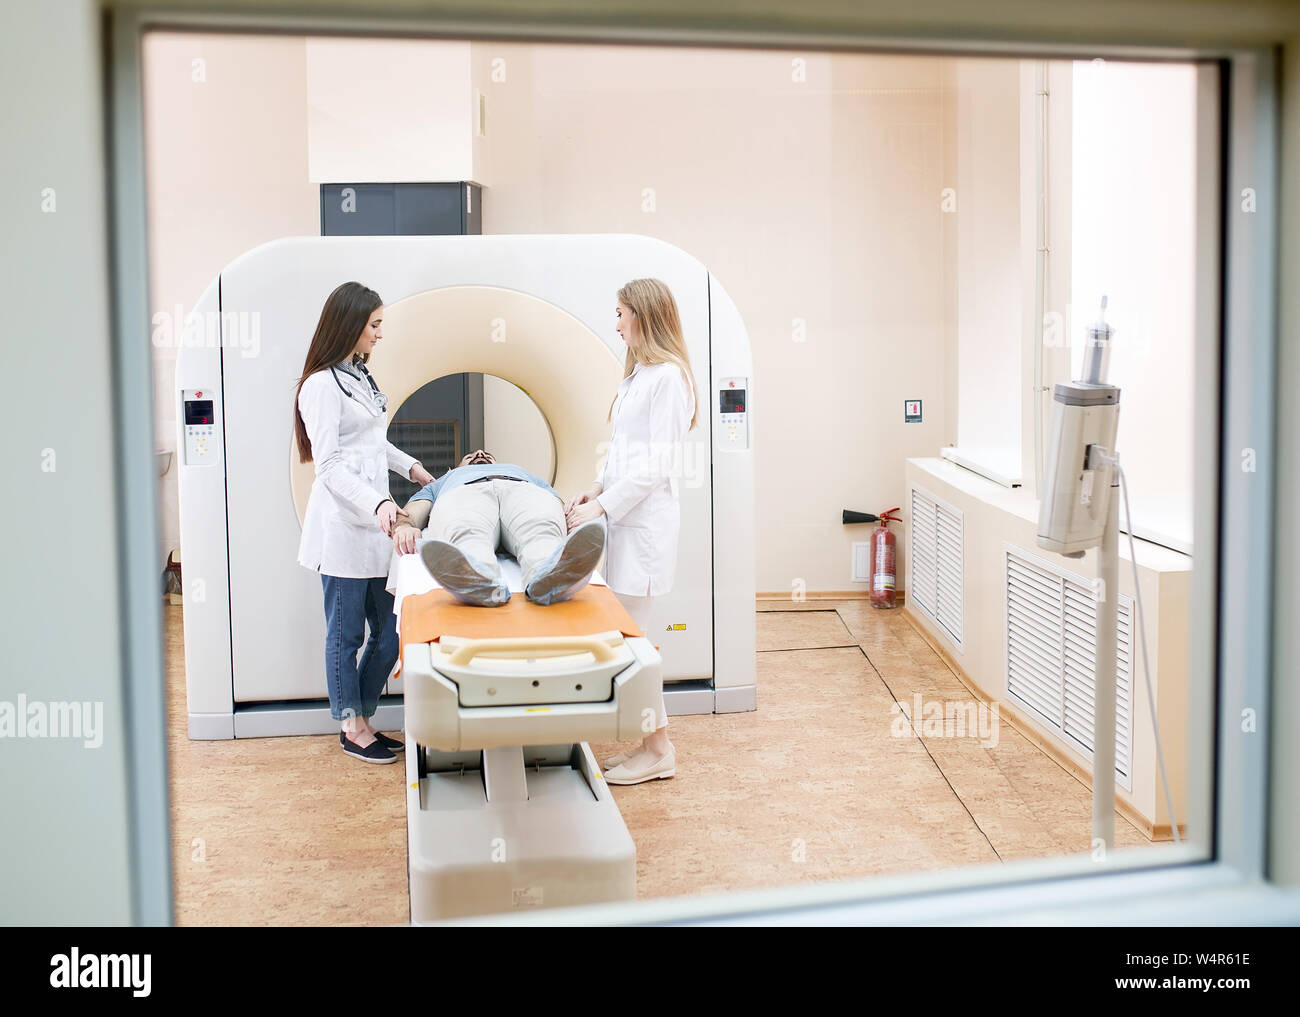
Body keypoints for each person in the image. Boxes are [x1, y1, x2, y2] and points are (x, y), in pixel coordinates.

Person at [564, 278, 699, 785]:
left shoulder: (669, 378)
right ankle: (647, 743)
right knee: (628, 641)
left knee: (635, 645)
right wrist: (593, 489)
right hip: (621, 521)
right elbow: (624, 455)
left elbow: (657, 465)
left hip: (642, 530)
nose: (616, 323)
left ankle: (659, 749)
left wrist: (603, 506)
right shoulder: (639, 376)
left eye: (621, 314)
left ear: (643, 316)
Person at [294, 281, 435, 764]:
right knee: (345, 634)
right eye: (374, 325)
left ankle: (364, 715)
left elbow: (375, 444)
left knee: (391, 633)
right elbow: (330, 466)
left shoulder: (359, 377)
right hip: (342, 527)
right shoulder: (319, 386)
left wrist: (412, 468)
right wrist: (378, 504)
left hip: (376, 524)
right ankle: (351, 725)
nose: (380, 334)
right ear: (350, 325)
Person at [392, 449, 606, 607]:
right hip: (464, 493)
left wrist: (568, 522)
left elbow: (556, 504)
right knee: (465, 532)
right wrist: (405, 527)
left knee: (541, 530)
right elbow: (412, 512)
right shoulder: (443, 481)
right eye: (471, 456)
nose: (479, 454)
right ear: (457, 467)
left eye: (486, 454)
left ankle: (549, 576)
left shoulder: (524, 473)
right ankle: (480, 580)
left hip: (521, 489)